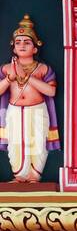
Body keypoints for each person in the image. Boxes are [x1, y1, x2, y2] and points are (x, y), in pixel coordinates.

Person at [0, 15, 61, 183]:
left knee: (37, 140)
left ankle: (35, 175)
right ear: (13, 47)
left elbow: (51, 91)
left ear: (35, 48)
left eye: (27, 42)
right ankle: (19, 175)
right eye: (18, 42)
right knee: (16, 142)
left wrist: (27, 77)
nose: (22, 45)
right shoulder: (6, 69)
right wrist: (9, 79)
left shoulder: (42, 69)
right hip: (14, 111)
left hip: (37, 110)